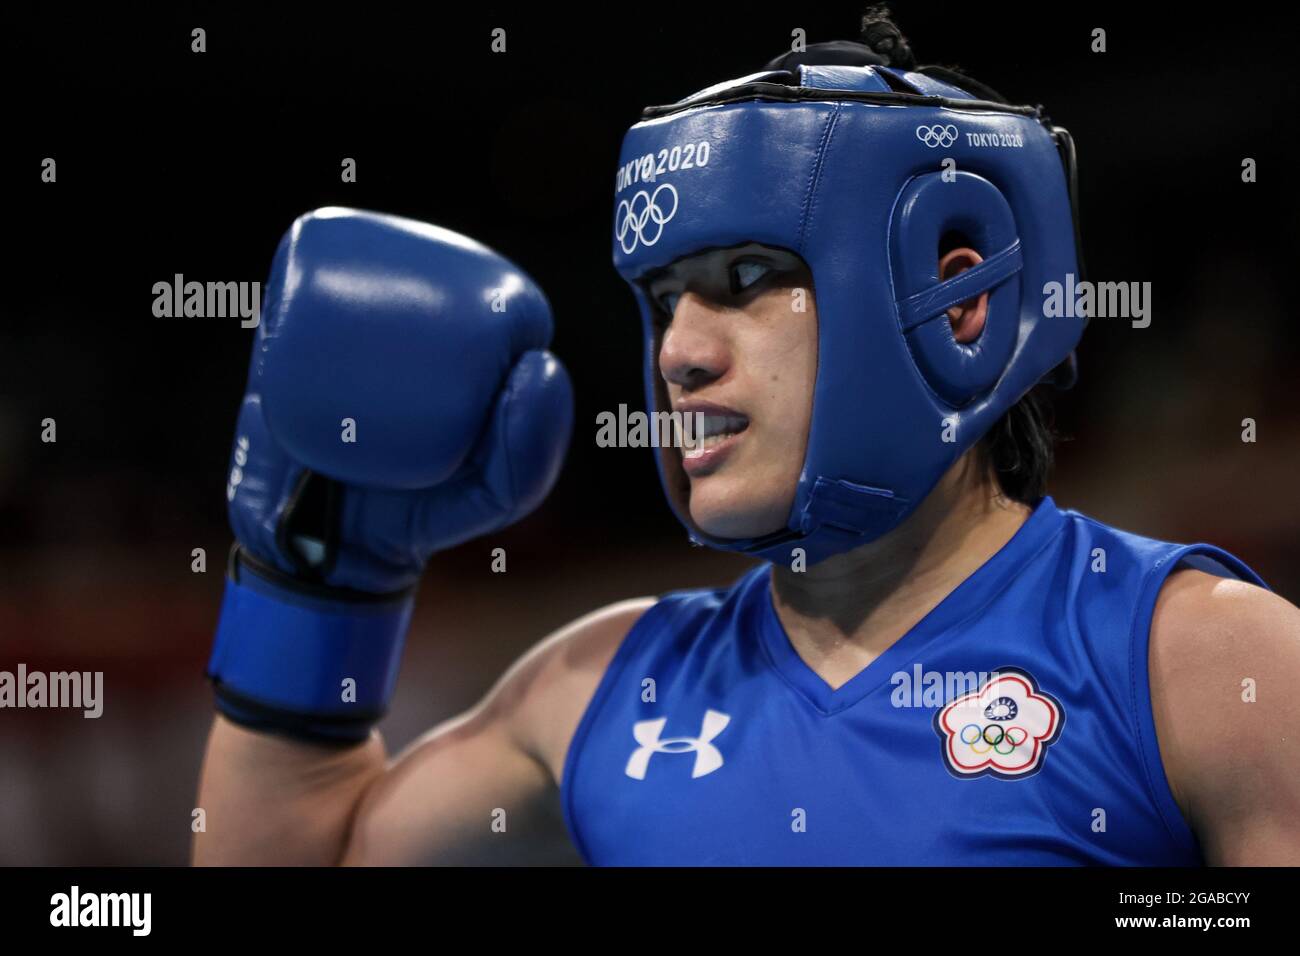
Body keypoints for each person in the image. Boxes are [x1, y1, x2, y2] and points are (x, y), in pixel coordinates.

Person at [194, 9, 1300, 866]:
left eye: (749, 278)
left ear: (955, 301)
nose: (678, 350)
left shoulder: (1199, 660)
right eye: (665, 296)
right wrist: (322, 581)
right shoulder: (597, 685)